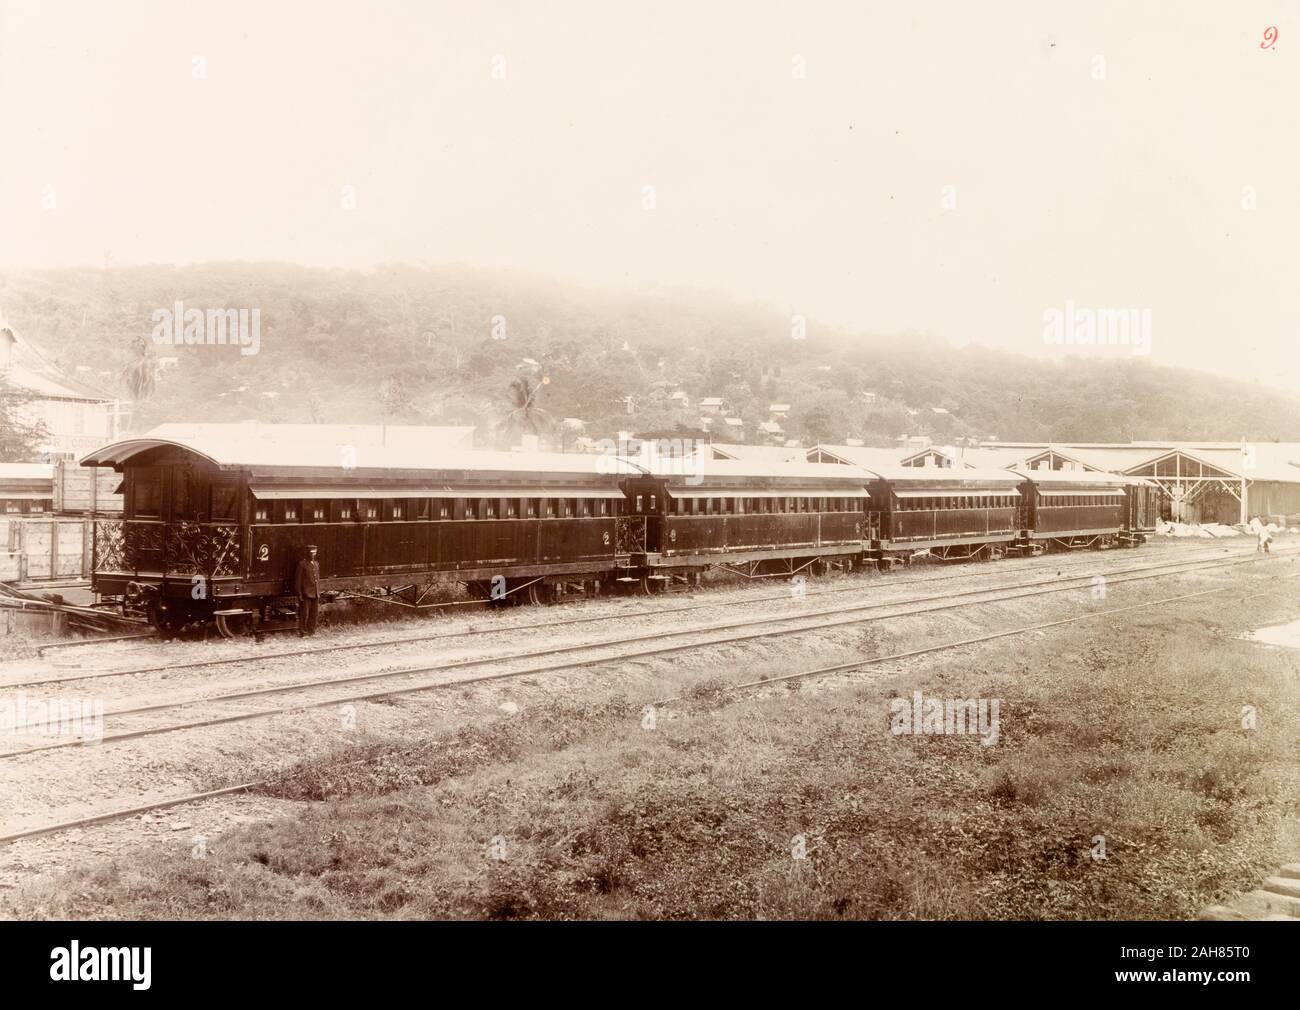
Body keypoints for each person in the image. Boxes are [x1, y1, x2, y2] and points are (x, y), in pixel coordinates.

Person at [295, 544, 321, 636]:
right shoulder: (302, 564)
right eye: (312, 552)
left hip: (315, 593)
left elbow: (317, 579)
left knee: (314, 613)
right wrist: (299, 594)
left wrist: (318, 591)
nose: (314, 554)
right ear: (308, 553)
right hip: (306, 593)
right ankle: (303, 632)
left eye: (315, 552)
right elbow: (298, 581)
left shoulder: (316, 564)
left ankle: (311, 631)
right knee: (304, 614)